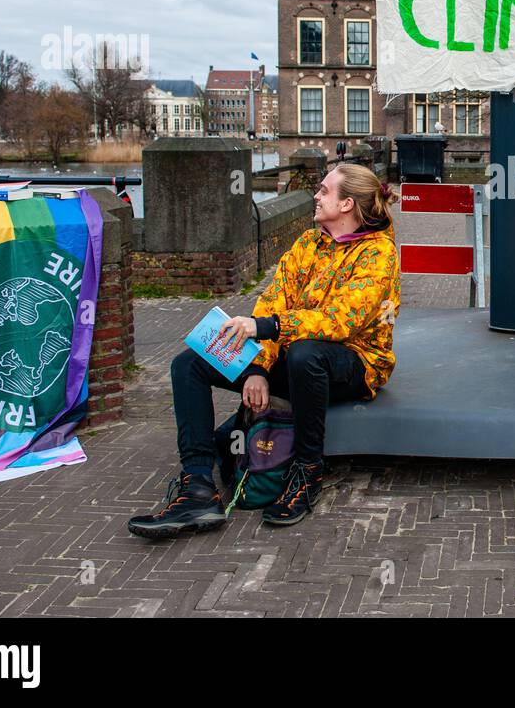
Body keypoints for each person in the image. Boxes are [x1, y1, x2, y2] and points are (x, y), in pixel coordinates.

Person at [128, 163, 402, 538]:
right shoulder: (308, 244)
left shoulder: (378, 254)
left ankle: (306, 474)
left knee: (308, 352)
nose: (316, 196)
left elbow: (342, 321)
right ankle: (197, 487)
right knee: (190, 363)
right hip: (295, 355)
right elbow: (273, 303)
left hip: (354, 363)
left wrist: (264, 329)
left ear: (347, 204)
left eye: (324, 191)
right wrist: (257, 367)